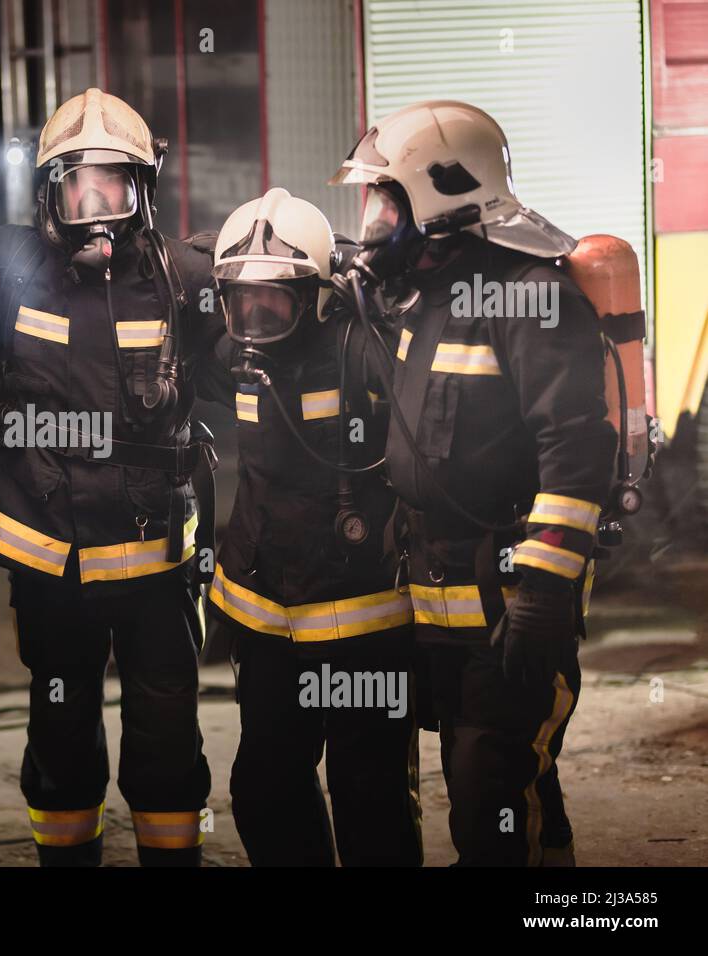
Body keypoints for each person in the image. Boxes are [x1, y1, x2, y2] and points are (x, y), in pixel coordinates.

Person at [330, 100, 617, 865]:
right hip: (437, 598)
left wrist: (545, 592)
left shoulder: (530, 296)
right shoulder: (423, 297)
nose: (371, 221)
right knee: (501, 778)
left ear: (441, 200)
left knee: (488, 791)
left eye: (384, 200)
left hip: (509, 599)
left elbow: (578, 448)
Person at [0, 88, 223, 866]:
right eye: (79, 184)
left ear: (143, 190)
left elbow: (285, 271)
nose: (97, 202)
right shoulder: (7, 265)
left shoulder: (182, 276)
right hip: (51, 562)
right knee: (62, 732)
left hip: (155, 562)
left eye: (114, 183)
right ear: (50, 192)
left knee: (167, 733)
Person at [203, 187, 421, 866]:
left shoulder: (365, 350)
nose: (255, 317)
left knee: (371, 794)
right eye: (241, 300)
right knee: (264, 788)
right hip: (268, 620)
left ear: (319, 293)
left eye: (274, 300)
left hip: (365, 624)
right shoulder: (238, 358)